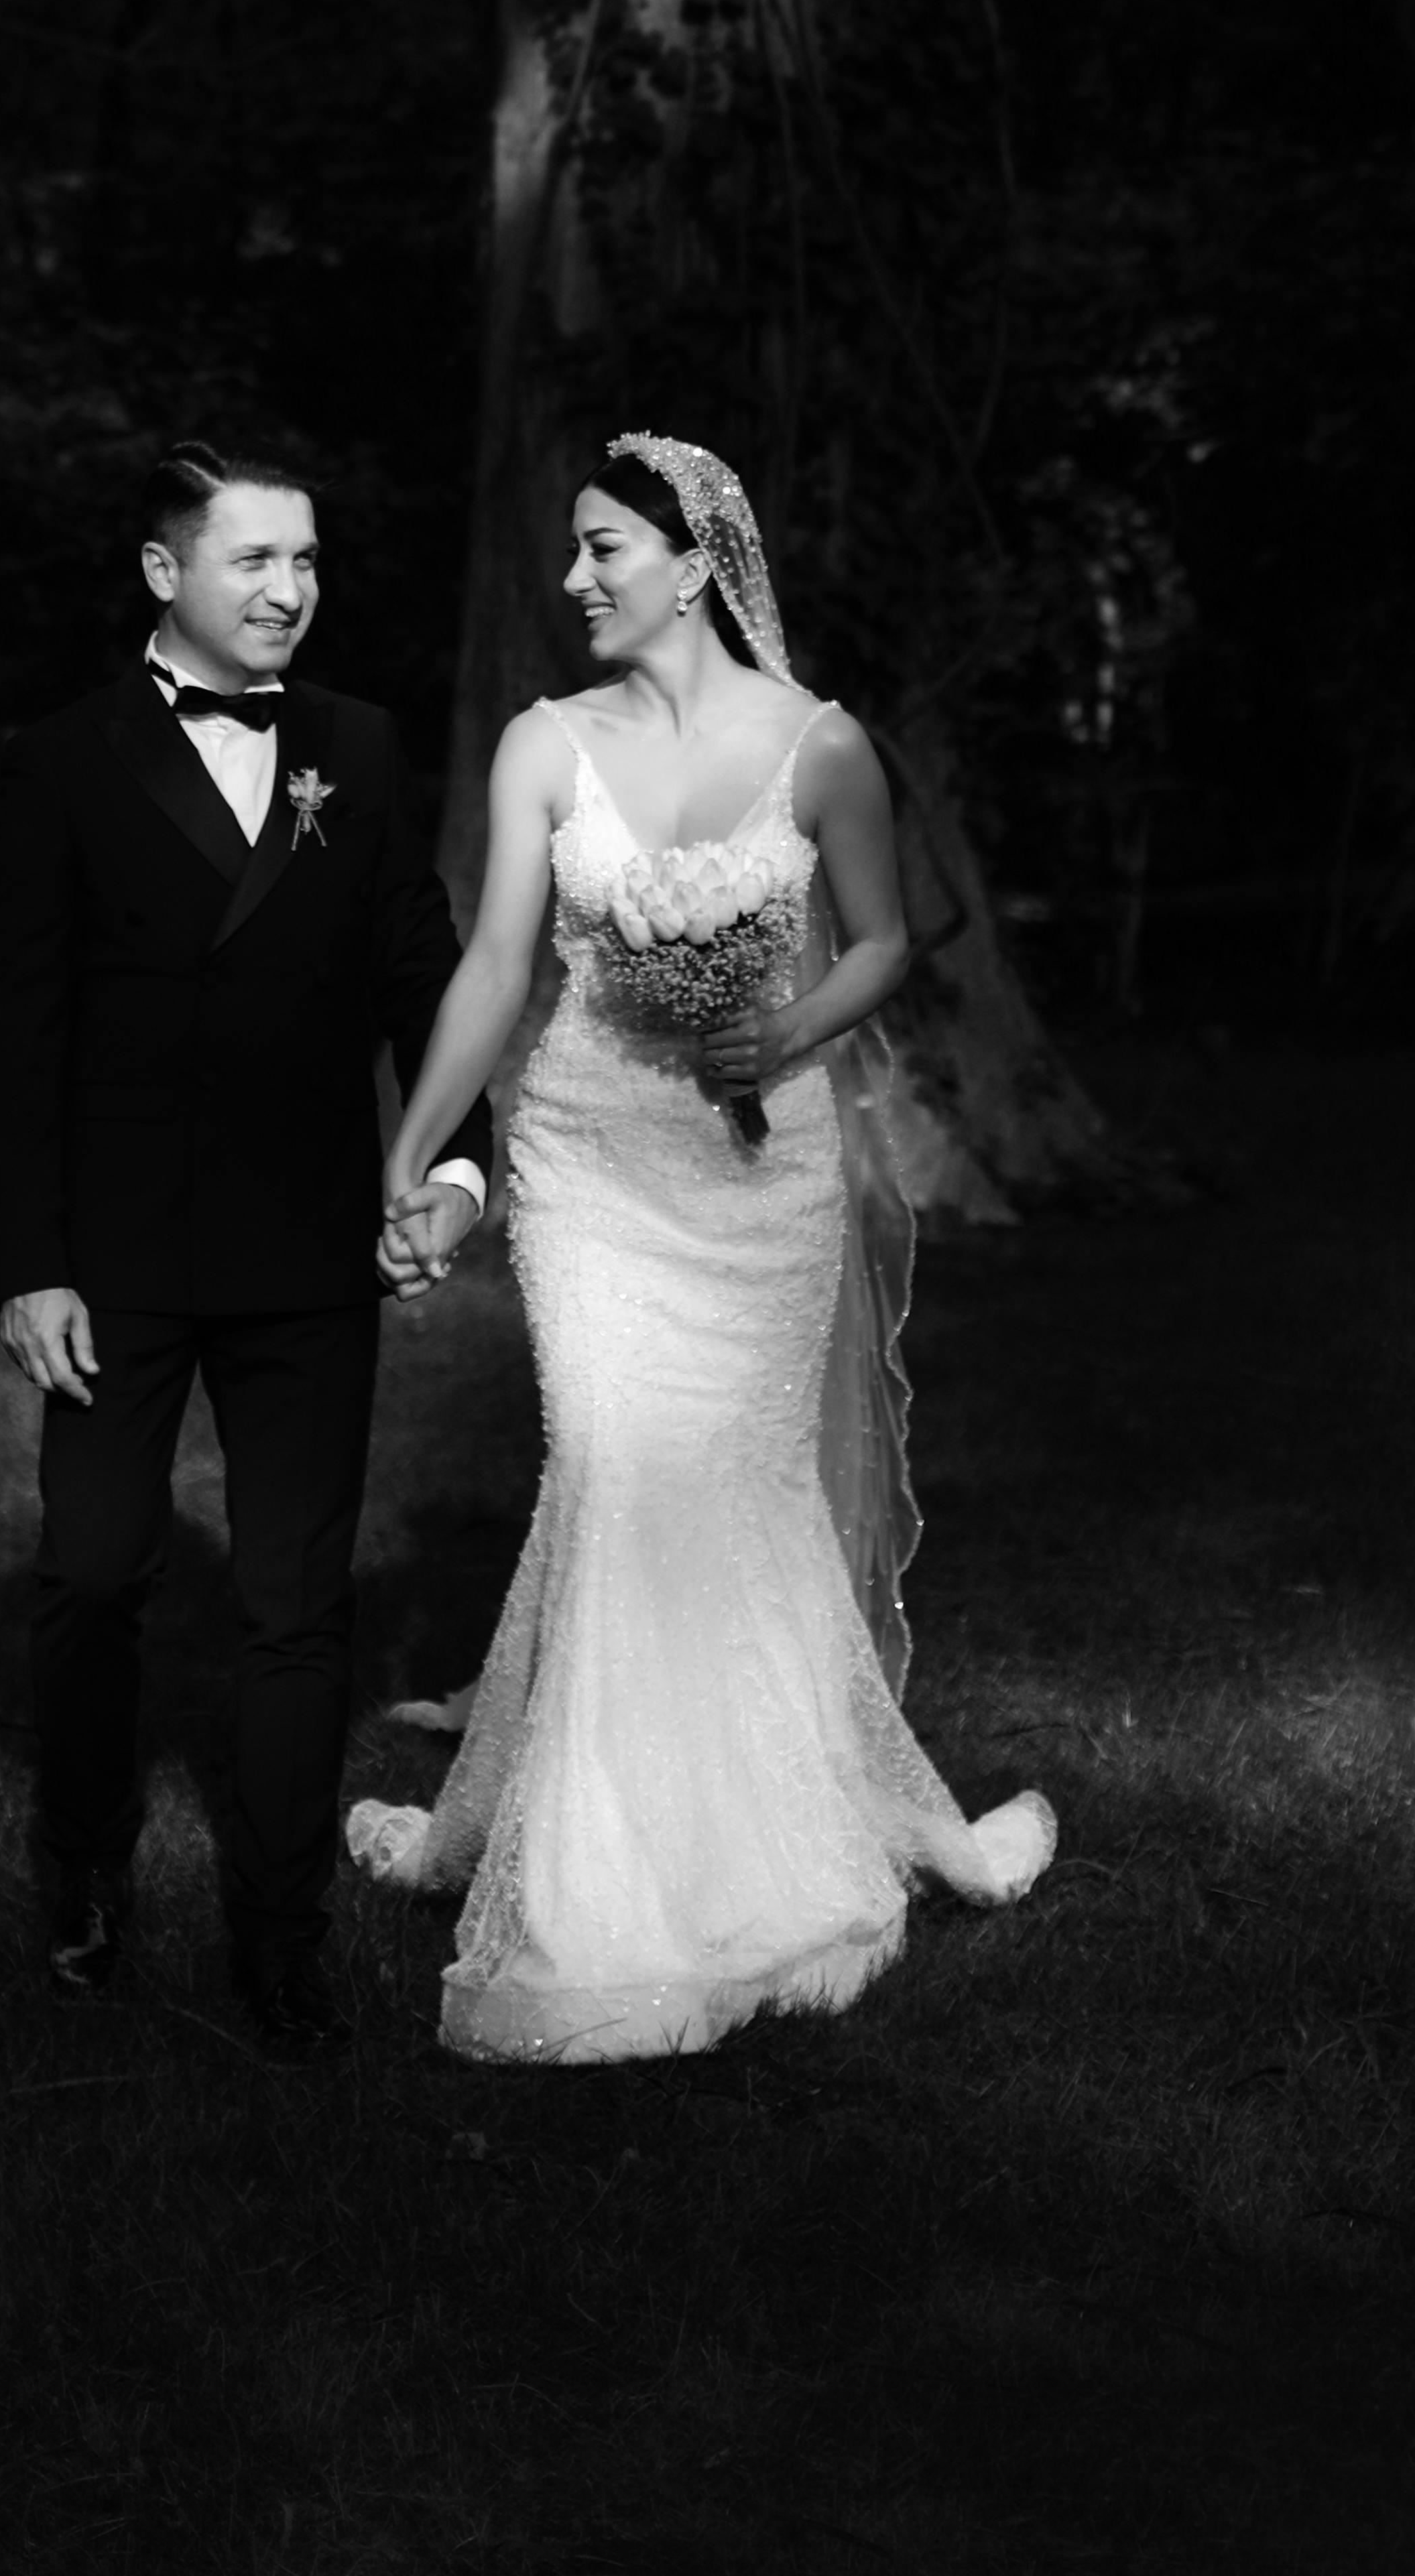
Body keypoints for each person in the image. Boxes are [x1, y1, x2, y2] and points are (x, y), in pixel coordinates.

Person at [347, 432, 1054, 2063]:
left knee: (726, 1485)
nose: (576, 578)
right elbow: (495, 967)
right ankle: (597, 1892)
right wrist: (409, 1143)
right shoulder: (542, 745)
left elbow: (881, 942)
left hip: (759, 1178)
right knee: (607, 1461)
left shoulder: (821, 747)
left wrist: (776, 1026)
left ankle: (752, 1835)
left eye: (603, 547)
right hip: (588, 1157)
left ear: (692, 555)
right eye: (573, 551)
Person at [0, 439, 491, 2049]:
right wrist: (29, 1259)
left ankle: (282, 1935)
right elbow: (24, 1029)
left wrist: (453, 1165)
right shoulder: (62, 759)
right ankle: (81, 1874)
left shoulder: (360, 744)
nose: (289, 591)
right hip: (114, 1261)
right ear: (163, 574)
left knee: (295, 1605)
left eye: (309, 562)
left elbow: (421, 968)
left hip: (303, 1251)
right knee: (88, 1573)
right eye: (254, 561)